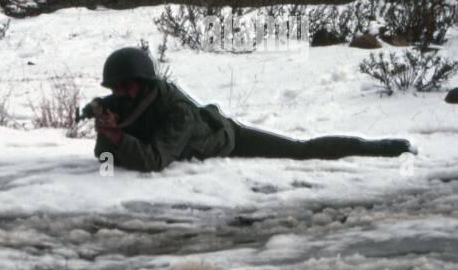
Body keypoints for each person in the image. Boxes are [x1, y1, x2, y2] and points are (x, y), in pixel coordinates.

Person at [90, 46, 414, 172]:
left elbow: (154, 160)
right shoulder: (129, 103)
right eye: (115, 89)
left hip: (229, 141)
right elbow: (104, 156)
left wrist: (117, 137)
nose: (120, 94)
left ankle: (381, 148)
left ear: (144, 83)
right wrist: (108, 129)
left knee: (301, 152)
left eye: (126, 86)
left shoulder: (177, 112)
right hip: (202, 141)